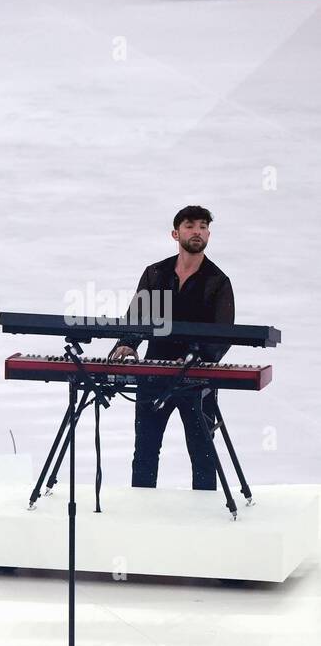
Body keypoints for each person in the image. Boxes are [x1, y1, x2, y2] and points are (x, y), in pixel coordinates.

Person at [109, 206, 235, 490]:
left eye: (203, 227)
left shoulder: (218, 281)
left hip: (197, 379)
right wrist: (127, 345)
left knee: (202, 453)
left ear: (209, 235)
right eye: (190, 226)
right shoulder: (155, 274)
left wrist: (196, 358)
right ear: (175, 233)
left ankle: (205, 518)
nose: (197, 231)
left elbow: (222, 335)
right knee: (144, 451)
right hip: (153, 376)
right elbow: (136, 319)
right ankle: (141, 511)